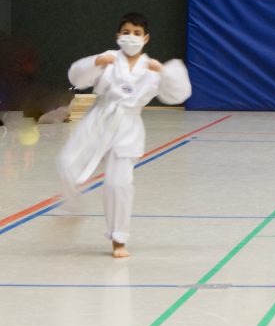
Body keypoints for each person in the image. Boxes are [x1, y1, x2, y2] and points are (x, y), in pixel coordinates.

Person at [57, 13, 192, 258]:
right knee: (66, 162)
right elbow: (75, 77)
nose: (131, 37)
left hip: (128, 125)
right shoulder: (108, 59)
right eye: (126, 32)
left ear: (146, 38)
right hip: (99, 118)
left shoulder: (151, 69)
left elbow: (179, 94)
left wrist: (164, 71)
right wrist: (96, 61)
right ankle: (73, 206)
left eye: (137, 33)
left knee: (118, 184)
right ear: (118, 35)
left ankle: (118, 238)